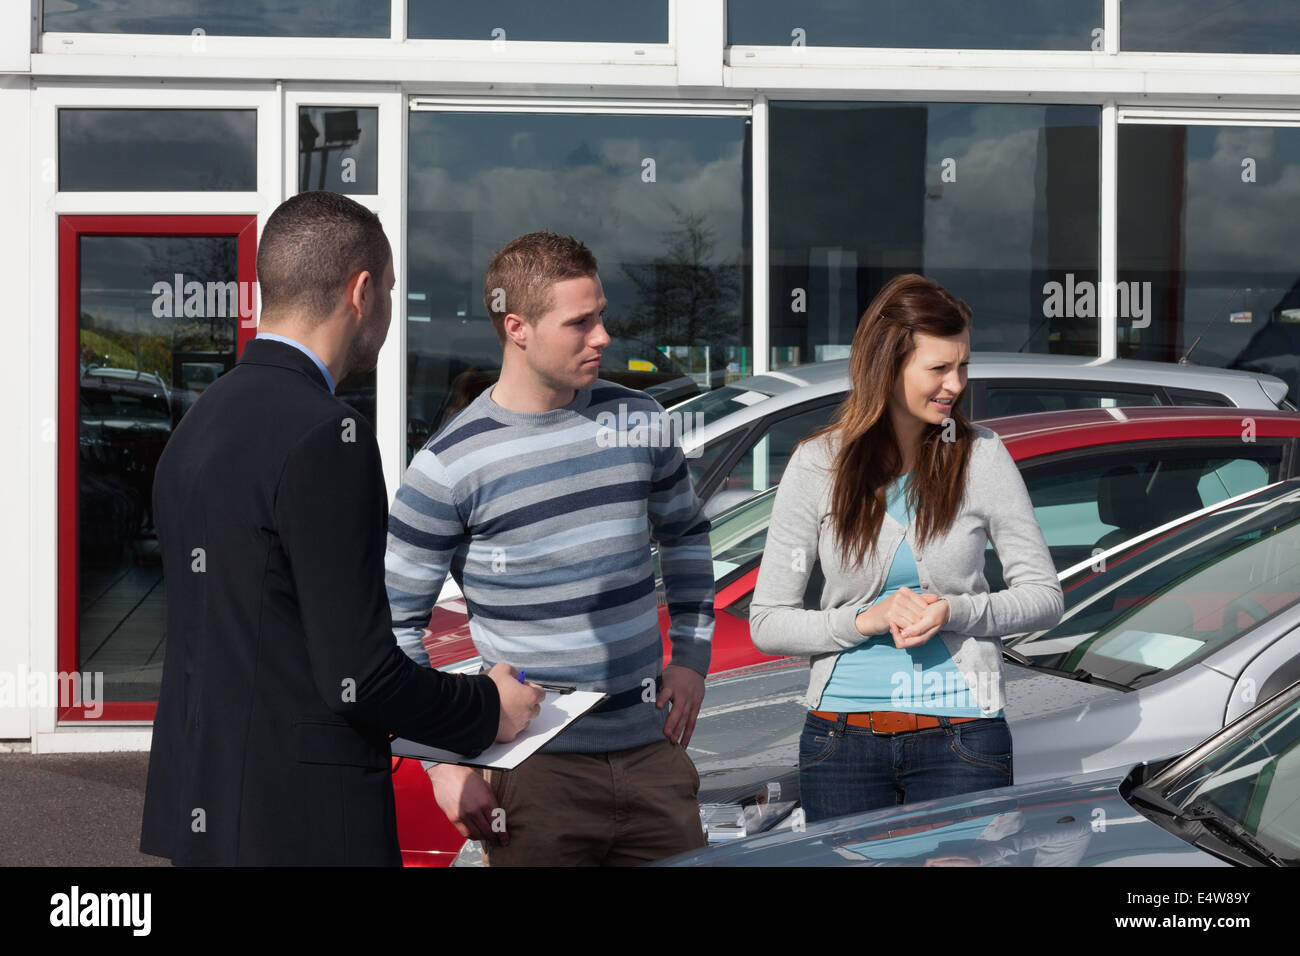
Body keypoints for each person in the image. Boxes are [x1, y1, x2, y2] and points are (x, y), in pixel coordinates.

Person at [141, 191, 543, 866]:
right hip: (300, 828)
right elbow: (360, 675)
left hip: (205, 811)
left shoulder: (197, 425)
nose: (388, 309)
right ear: (361, 291)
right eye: (389, 289)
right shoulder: (331, 436)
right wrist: (488, 707)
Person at [385, 232, 714, 866]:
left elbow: (686, 536)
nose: (603, 337)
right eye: (580, 322)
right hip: (535, 774)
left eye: (602, 315)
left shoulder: (639, 419)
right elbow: (395, 629)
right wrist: (441, 762)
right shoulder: (447, 465)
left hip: (653, 755)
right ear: (518, 327)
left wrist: (693, 656)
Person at [749, 273, 1064, 823]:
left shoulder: (982, 457)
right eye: (938, 368)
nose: (956, 384)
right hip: (840, 744)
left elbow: (1044, 597)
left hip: (963, 741)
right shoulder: (817, 464)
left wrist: (955, 610)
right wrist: (864, 620)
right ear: (886, 367)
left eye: (962, 365)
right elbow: (767, 622)